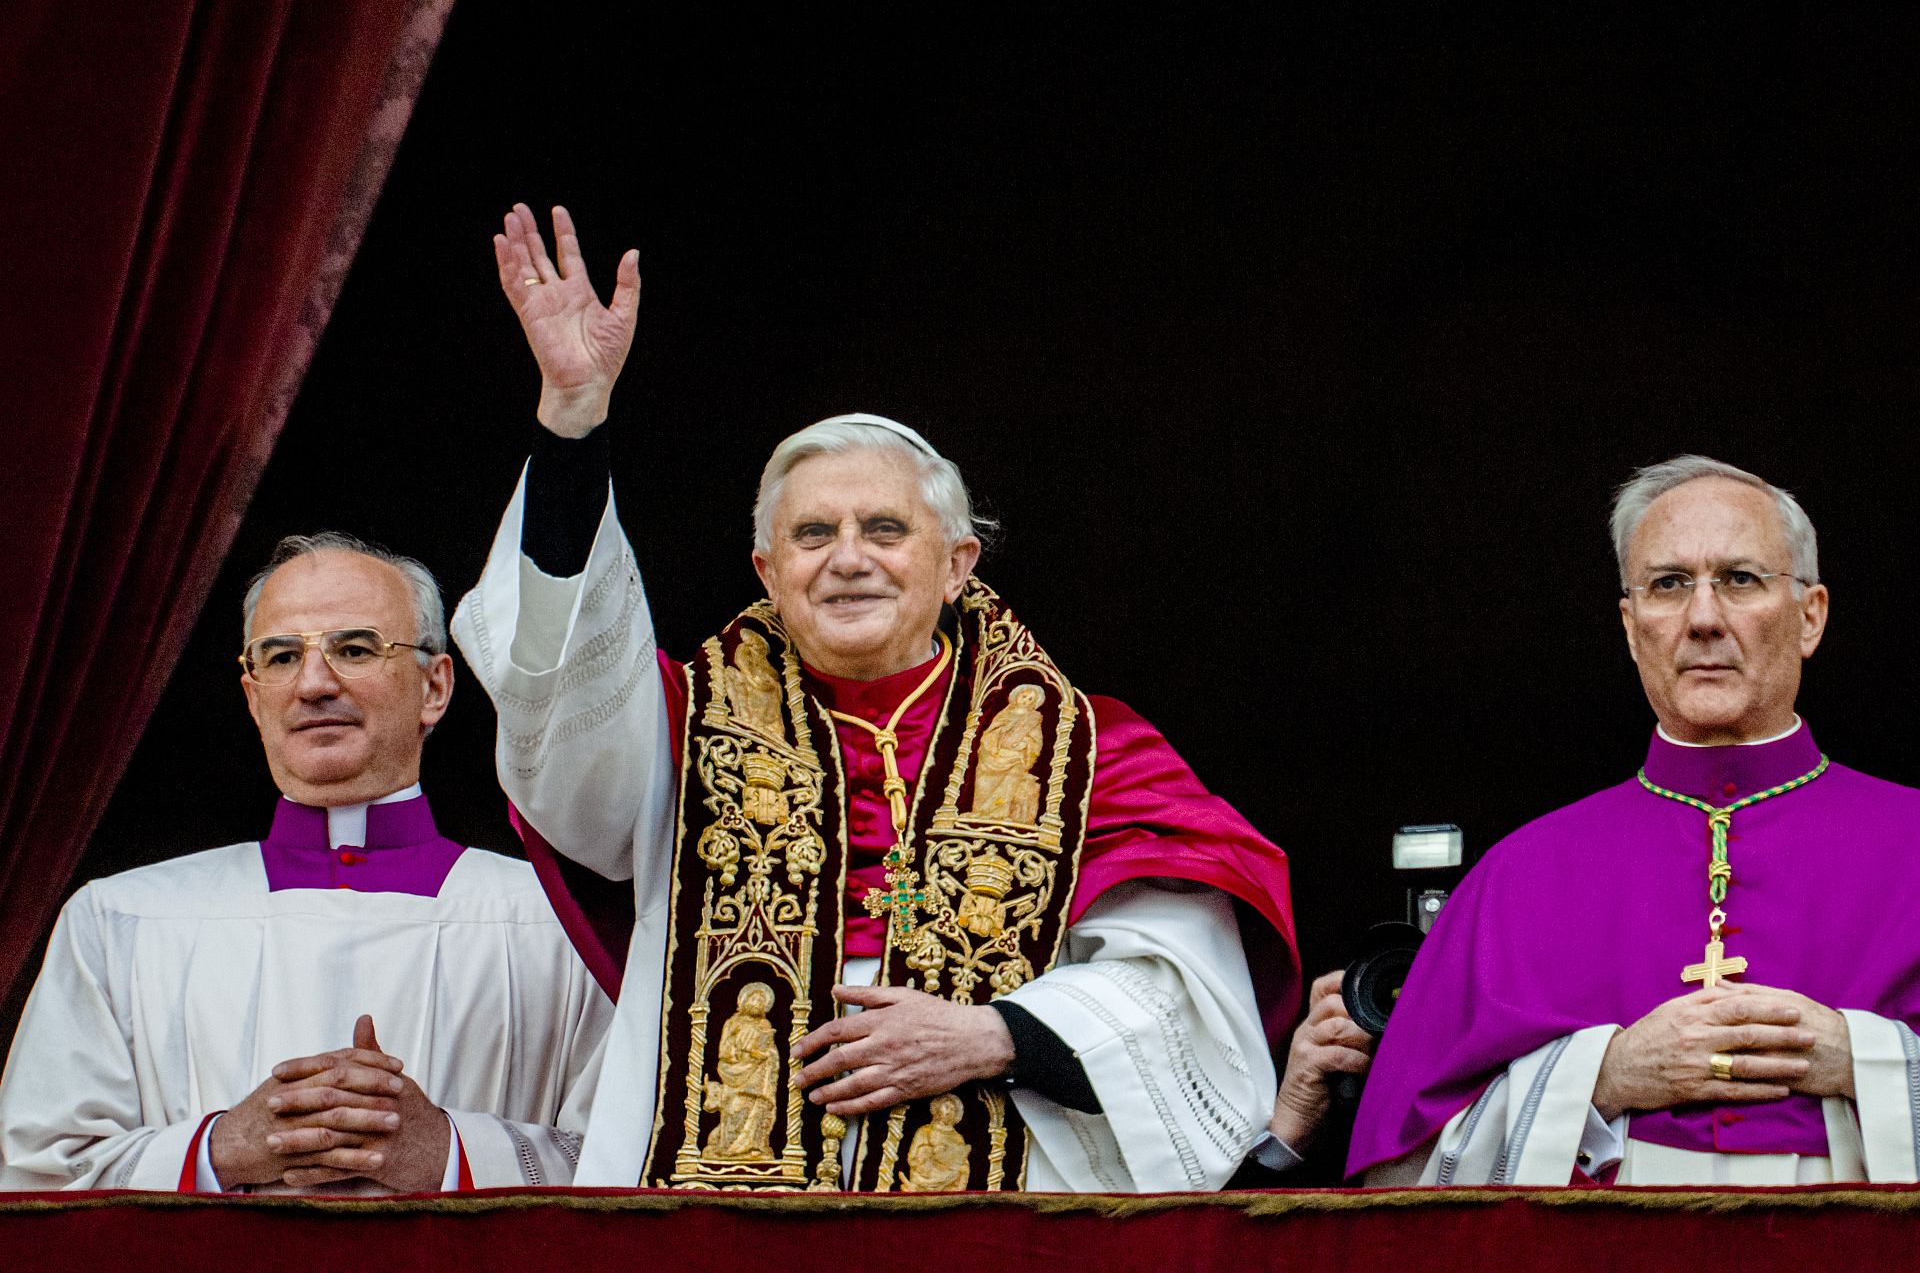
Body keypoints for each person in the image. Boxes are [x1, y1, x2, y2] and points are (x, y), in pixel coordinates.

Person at [453, 204, 1365, 1192]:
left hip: (1006, 1199)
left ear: (957, 564)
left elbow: (1180, 986)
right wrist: (574, 421)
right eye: (812, 535)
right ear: (766, 568)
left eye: (884, 528)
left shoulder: (1087, 745)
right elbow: (560, 691)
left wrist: (999, 1033)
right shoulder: (677, 724)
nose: (847, 559)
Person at [1350, 455, 1920, 1186]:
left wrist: (1861, 1058)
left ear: (1810, 616)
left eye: (1740, 579)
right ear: (1629, 626)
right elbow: (1394, 1186)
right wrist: (1604, 1074)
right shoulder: (1520, 873)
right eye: (1668, 584)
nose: (1704, 619)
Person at [0, 534, 610, 1193]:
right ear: (254, 696)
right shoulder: (118, 922)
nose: (316, 683)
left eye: (354, 649)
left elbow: (640, 1172)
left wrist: (451, 1152)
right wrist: (219, 1150)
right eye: (283, 656)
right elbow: (36, 1179)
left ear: (435, 686)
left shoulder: (565, 923)